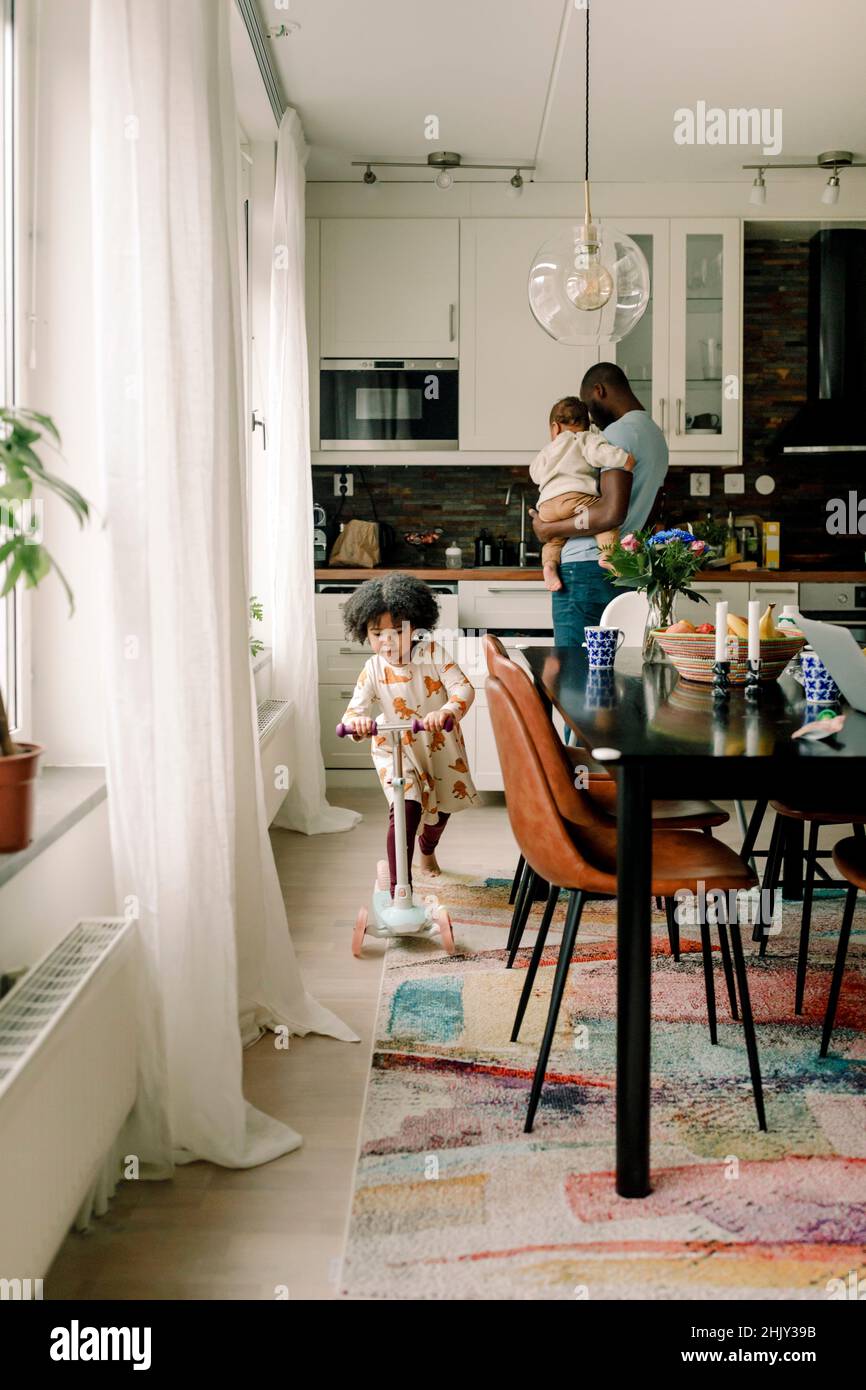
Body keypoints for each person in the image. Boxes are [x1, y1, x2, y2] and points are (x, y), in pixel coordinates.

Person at [340, 573, 478, 895]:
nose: (386, 642)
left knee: (440, 813)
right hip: (396, 750)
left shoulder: (432, 653)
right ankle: (399, 890)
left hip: (438, 745)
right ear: (365, 633)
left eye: (396, 632)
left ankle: (427, 851)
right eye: (377, 634)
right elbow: (353, 713)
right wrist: (358, 724)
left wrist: (447, 711)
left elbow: (463, 688)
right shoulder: (372, 669)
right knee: (406, 808)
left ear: (414, 627)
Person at [531, 363, 669, 647]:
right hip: (625, 568)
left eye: (589, 408)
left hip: (585, 571)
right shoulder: (657, 437)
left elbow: (611, 512)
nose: (589, 420)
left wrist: (548, 528)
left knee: (573, 674)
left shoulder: (615, 435)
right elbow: (651, 512)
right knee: (617, 674)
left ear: (599, 390)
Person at [530, 395, 634, 593]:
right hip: (575, 499)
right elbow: (602, 454)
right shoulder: (585, 438)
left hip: (547, 508)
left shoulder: (548, 449)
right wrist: (625, 459)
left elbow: (535, 473)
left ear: (555, 427)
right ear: (587, 425)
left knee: (555, 540)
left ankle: (549, 566)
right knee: (604, 521)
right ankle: (607, 556)